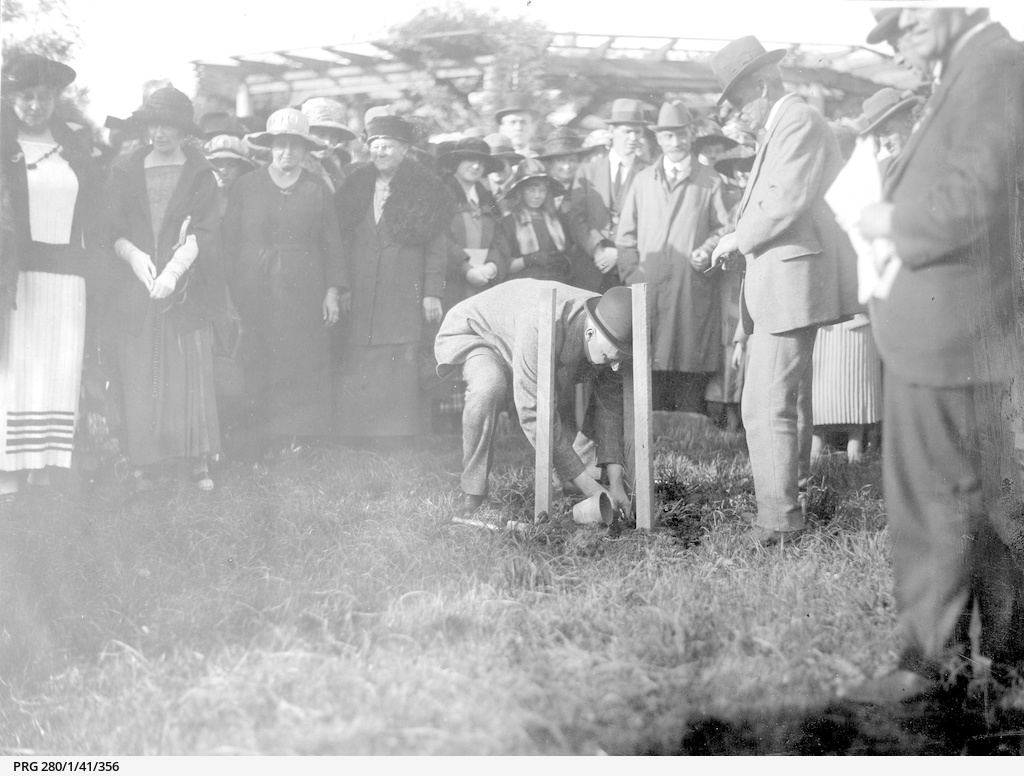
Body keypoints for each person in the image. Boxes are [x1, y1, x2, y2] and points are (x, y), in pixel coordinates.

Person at [844, 8, 1024, 704]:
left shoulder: (993, 67)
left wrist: (893, 220)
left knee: (937, 505)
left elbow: (974, 194)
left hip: (949, 331)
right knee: (986, 505)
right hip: (958, 329)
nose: (897, 29)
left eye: (908, 10)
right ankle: (1003, 671)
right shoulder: (983, 65)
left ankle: (932, 668)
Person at [709, 36, 859, 546]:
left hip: (790, 281)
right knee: (786, 402)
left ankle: (778, 521)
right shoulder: (787, 126)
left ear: (762, 84)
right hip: (785, 279)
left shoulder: (797, 121)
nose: (736, 115)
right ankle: (789, 497)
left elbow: (782, 201)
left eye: (738, 102)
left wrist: (736, 237)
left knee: (764, 404)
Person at [105, 87, 225, 490]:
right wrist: (135, 257)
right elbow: (112, 229)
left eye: (170, 125)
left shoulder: (200, 172)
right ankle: (145, 461)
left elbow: (205, 229)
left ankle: (195, 460)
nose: (160, 133)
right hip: (134, 286)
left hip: (185, 286)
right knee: (140, 368)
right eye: (154, 124)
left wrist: (173, 272)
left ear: (183, 131)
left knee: (186, 366)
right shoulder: (124, 168)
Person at [435, 279, 632, 517]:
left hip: (519, 333)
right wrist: (593, 491)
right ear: (590, 333)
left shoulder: (611, 320)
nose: (616, 367)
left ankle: (580, 476)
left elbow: (610, 408)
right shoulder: (541, 324)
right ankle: (473, 490)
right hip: (479, 333)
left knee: (606, 389)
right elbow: (534, 413)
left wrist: (617, 484)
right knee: (489, 385)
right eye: (611, 357)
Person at [0, 53, 103, 499]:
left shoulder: (75, 148)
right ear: (11, 97)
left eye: (43, 97)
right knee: (17, 367)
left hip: (68, 275)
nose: (35, 106)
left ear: (55, 99)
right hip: (18, 273)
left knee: (57, 367)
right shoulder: (5, 145)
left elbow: (95, 211)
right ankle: (7, 466)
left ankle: (43, 463)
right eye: (26, 97)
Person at [222, 109, 348, 455]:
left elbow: (331, 242)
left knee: (302, 358)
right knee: (260, 357)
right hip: (254, 285)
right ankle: (259, 439)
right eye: (281, 145)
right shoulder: (246, 186)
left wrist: (332, 291)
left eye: (295, 146)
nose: (287, 153)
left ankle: (300, 437)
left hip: (304, 286)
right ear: (269, 148)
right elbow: (229, 242)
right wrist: (230, 293)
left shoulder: (316, 187)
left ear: (305, 150)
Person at [334, 115, 448, 446]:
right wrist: (342, 286)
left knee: (399, 359)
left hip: (403, 293)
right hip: (362, 291)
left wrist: (431, 293)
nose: (380, 152)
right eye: (375, 146)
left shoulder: (425, 188)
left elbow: (436, 247)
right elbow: (339, 240)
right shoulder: (355, 185)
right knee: (362, 357)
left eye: (388, 146)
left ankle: (397, 435)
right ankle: (360, 434)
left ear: (405, 150)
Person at [615, 100, 731, 414]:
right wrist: (633, 276)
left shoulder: (710, 180)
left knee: (687, 352)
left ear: (691, 135)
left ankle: (688, 427)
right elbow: (625, 238)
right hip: (647, 287)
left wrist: (707, 251)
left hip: (689, 285)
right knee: (648, 354)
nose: (675, 142)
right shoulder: (643, 181)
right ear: (660, 139)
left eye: (681, 134)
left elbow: (726, 227)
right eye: (668, 136)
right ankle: (652, 431)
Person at [569, 99, 650, 293]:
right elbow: (576, 217)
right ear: (612, 131)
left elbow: (651, 223)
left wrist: (620, 254)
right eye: (626, 131)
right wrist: (597, 249)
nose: (632, 137)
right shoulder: (587, 171)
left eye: (637, 132)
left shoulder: (649, 173)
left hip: (631, 268)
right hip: (592, 265)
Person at [439, 137, 506, 311]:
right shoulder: (440, 193)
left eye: (481, 162)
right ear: (457, 162)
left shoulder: (488, 199)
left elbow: (500, 237)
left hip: (484, 280)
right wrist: (466, 269)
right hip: (451, 280)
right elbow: (439, 237)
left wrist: (493, 265)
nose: (476, 166)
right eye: (470, 160)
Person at [490, 159, 574, 285]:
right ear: (521, 191)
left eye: (542, 190)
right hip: (524, 286)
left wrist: (564, 260)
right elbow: (503, 264)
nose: (537, 196)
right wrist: (531, 259)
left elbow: (570, 252)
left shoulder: (556, 220)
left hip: (557, 283)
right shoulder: (509, 223)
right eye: (531, 190)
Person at [856, 88, 922, 178]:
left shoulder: (936, 153)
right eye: (879, 136)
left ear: (909, 120)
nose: (884, 142)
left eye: (887, 131)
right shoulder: (884, 173)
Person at [301, 97, 356, 193]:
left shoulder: (331, 170)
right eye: (321, 134)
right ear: (306, 134)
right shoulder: (296, 170)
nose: (327, 143)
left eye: (334, 136)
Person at [494, 92, 540, 159]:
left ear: (533, 127)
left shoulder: (541, 162)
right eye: (513, 122)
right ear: (502, 128)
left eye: (523, 122)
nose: (518, 128)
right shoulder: (493, 161)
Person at [483, 132, 524, 206]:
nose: (496, 169)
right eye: (491, 164)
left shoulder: (523, 188)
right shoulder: (480, 190)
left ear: (511, 162)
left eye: (500, 164)